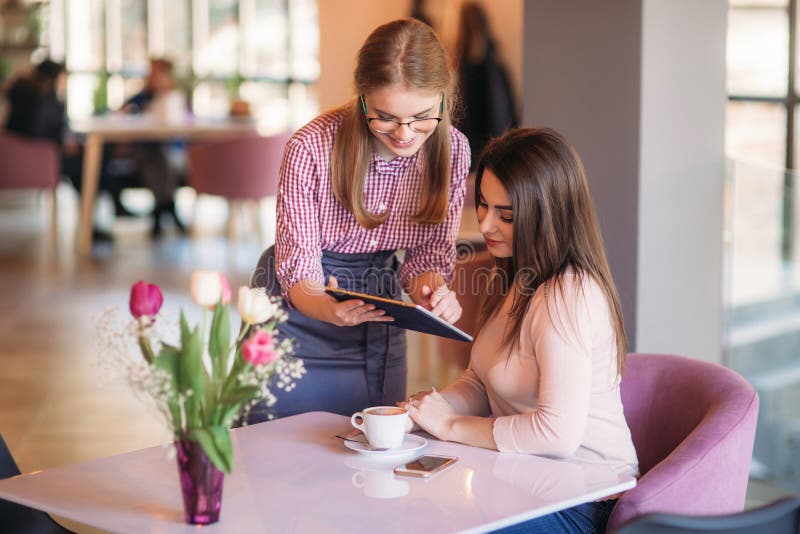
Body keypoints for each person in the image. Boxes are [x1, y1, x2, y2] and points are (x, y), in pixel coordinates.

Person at [402, 128, 638, 533]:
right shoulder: (514, 276)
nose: (486, 224)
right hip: (524, 480)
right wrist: (425, 411)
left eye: (506, 215)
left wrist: (450, 425)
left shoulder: (568, 294)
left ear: (549, 214)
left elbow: (557, 435)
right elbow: (483, 382)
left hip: (585, 499)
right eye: (483, 204)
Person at [249, 18, 471, 420]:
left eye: (422, 116)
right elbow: (299, 269)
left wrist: (431, 295)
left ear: (443, 98)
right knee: (278, 446)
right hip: (298, 315)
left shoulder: (453, 150)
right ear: (362, 98)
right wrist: (326, 306)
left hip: (380, 307)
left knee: (372, 444)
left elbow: (426, 257)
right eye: (385, 116)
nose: (404, 134)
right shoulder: (310, 148)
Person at [3, 59, 125, 241]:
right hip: (42, 160)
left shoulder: (25, 93)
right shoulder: (43, 99)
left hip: (28, 157)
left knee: (90, 164)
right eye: (63, 77)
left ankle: (98, 216)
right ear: (53, 77)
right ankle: (106, 208)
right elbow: (43, 132)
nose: (65, 82)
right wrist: (63, 144)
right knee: (91, 166)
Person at [121, 57, 186, 237]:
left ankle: (159, 210)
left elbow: (182, 126)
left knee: (165, 159)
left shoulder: (174, 98)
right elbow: (124, 111)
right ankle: (168, 207)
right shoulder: (143, 97)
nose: (153, 76)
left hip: (170, 152)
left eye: (156, 72)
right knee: (157, 160)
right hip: (146, 152)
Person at [454, 2, 518, 170]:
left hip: (493, 135)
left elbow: (508, 108)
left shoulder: (495, 66)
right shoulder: (459, 66)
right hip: (470, 136)